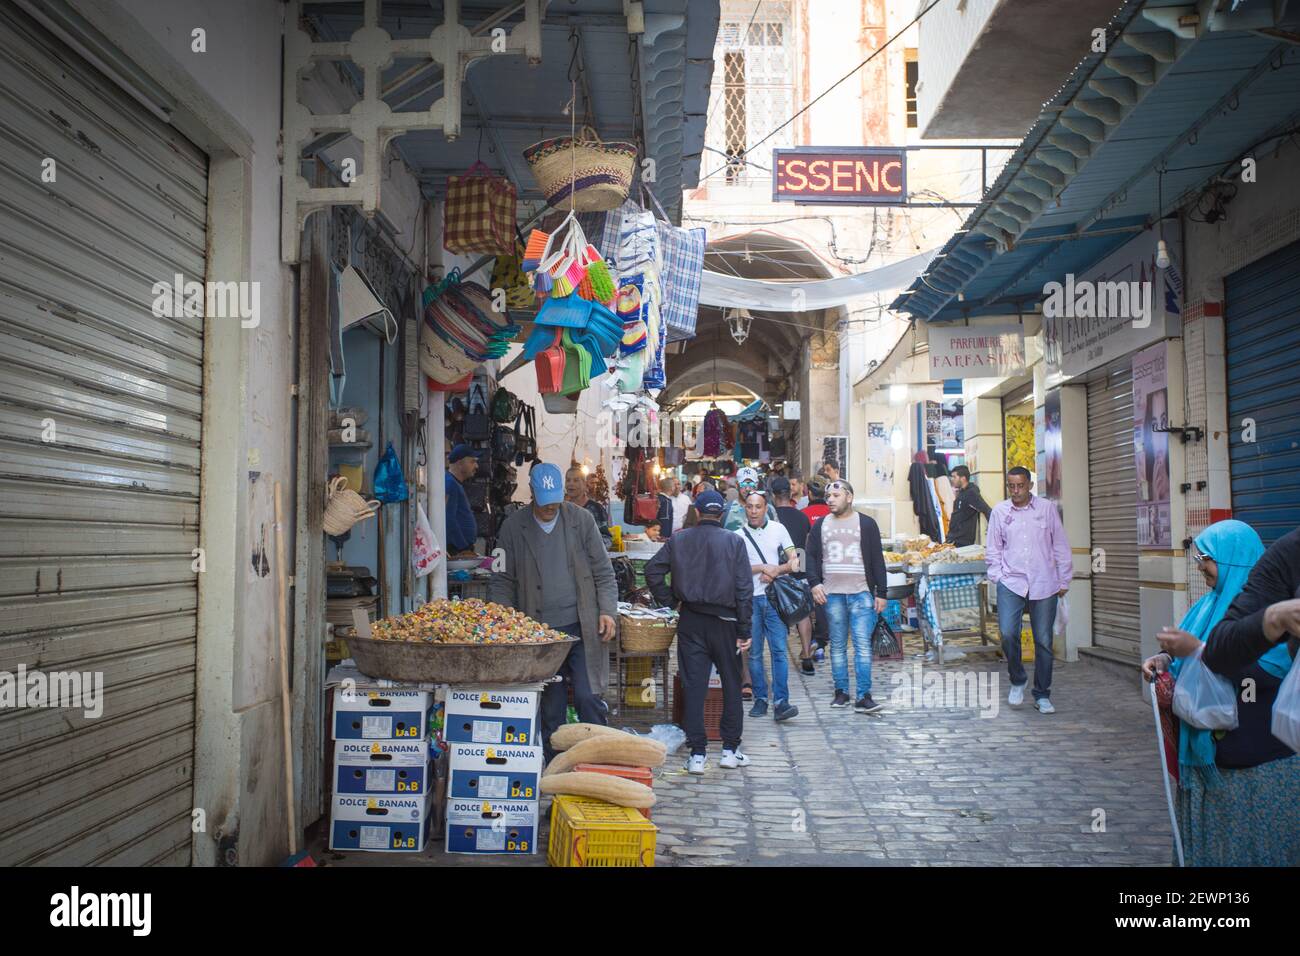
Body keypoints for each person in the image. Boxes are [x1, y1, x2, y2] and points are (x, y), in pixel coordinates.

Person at [1141, 521, 1299, 866]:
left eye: (1207, 559)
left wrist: (1196, 649)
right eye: (1199, 558)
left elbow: (1259, 679)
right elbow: (1193, 652)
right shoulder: (1207, 606)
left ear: (1234, 560)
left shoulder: (1278, 611)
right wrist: (1167, 658)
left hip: (1257, 764)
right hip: (1208, 762)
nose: (1200, 567)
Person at [489, 463, 618, 762]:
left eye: (555, 501)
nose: (551, 508)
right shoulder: (512, 527)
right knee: (551, 704)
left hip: (582, 625)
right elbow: (501, 579)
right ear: (532, 493)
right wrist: (504, 622)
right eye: (544, 501)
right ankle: (554, 765)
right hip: (540, 634)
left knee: (589, 697)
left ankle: (597, 761)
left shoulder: (581, 520)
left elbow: (603, 571)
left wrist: (608, 611)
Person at [645, 490, 754, 774]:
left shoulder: (680, 539)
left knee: (694, 686)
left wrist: (669, 600)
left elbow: (652, 570)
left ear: (697, 511)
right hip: (726, 622)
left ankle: (697, 753)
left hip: (691, 619)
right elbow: (744, 589)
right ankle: (730, 749)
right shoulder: (734, 542)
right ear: (721, 514)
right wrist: (744, 628)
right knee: (731, 684)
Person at [985, 466, 1072, 713]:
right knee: (1007, 633)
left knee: (1043, 640)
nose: (1016, 490)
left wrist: (1064, 579)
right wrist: (997, 576)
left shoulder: (1046, 509)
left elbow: (1060, 544)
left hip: (1044, 582)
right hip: (1011, 582)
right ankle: (1017, 679)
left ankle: (1042, 694)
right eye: (1011, 486)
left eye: (1020, 485)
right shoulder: (1000, 512)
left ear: (1030, 485)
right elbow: (993, 547)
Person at [805, 479, 889, 714]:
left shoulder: (867, 524)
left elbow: (877, 560)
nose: (830, 499)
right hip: (832, 595)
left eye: (836, 495)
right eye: (828, 496)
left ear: (849, 497)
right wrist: (814, 584)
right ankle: (841, 692)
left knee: (862, 646)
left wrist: (881, 593)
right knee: (838, 646)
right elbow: (810, 557)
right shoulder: (820, 525)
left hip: (861, 593)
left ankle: (864, 696)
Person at [735, 490, 800, 722]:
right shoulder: (737, 536)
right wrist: (762, 567)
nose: (753, 511)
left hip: (773, 599)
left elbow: (795, 561)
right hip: (749, 600)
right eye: (750, 506)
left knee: (779, 651)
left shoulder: (778, 530)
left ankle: (781, 701)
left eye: (758, 506)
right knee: (753, 654)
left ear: (766, 508)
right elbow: (736, 569)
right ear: (745, 508)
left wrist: (776, 570)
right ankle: (761, 698)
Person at [771, 475, 815, 675]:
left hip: (776, 570)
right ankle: (806, 655)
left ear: (773, 496)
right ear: (791, 495)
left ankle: (779, 657)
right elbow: (806, 545)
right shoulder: (802, 516)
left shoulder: (770, 517)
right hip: (799, 566)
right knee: (803, 613)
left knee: (777, 612)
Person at [565, 465, 611, 549]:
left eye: (576, 480)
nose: (571, 484)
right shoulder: (561, 509)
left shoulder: (596, 509)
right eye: (568, 480)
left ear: (585, 484)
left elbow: (607, 539)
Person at [445, 444, 480, 553]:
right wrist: (463, 547)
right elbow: (448, 519)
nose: (477, 466)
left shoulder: (455, 483)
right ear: (460, 463)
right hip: (457, 549)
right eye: (472, 461)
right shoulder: (450, 484)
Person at [947, 465, 992, 548]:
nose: (952, 479)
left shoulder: (971, 493)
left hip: (962, 542)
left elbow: (987, 510)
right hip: (953, 538)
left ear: (963, 478)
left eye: (954, 477)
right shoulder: (962, 491)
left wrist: (993, 531)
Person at [722, 466, 777, 532]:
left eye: (751, 484)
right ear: (737, 485)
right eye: (743, 484)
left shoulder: (768, 510)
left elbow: (777, 535)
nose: (747, 489)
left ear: (756, 485)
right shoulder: (726, 510)